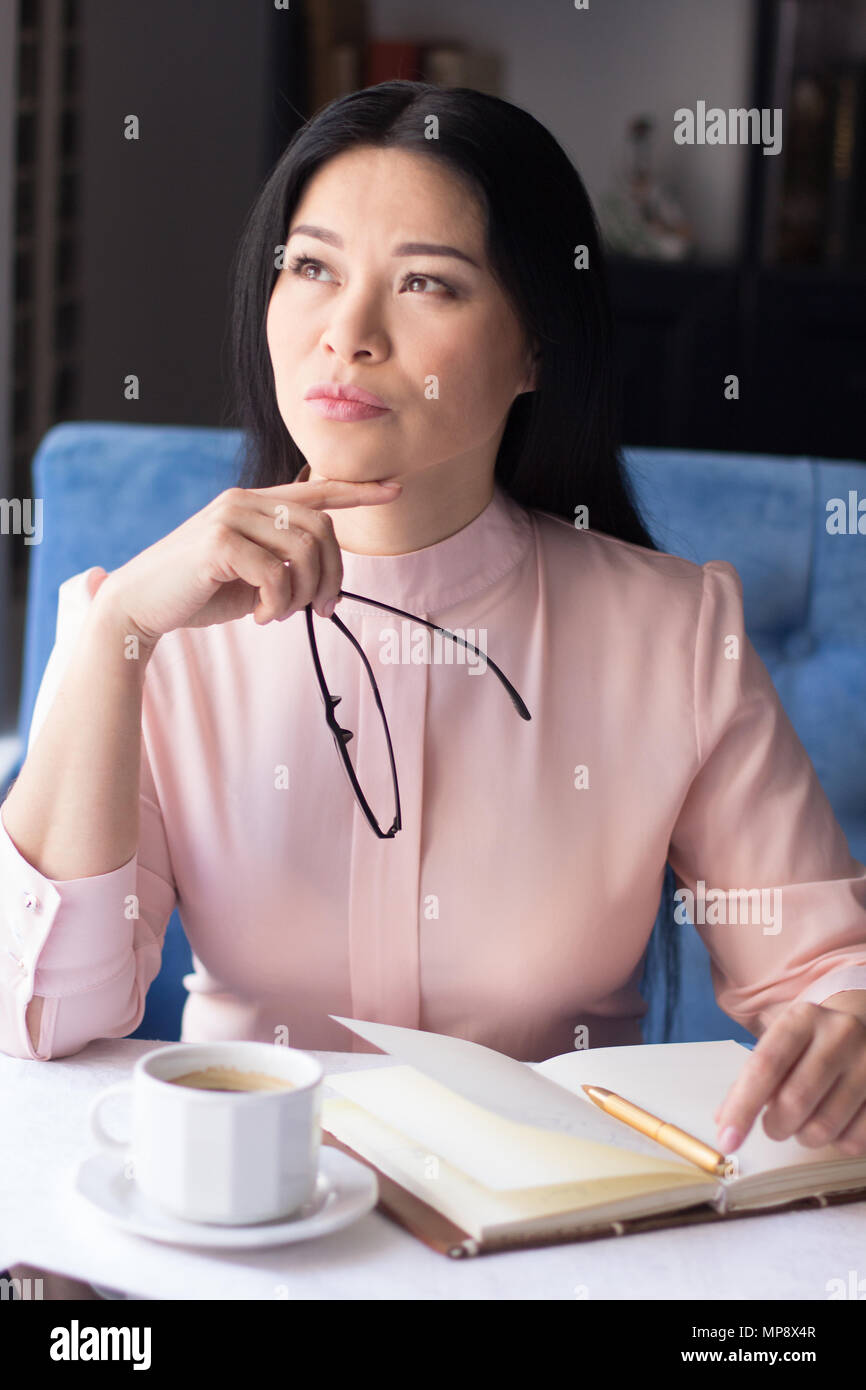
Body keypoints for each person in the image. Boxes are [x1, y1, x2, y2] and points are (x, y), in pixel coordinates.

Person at [3, 82, 866, 1298]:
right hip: (234, 1244)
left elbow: (818, 973)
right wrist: (109, 644)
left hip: (558, 1264)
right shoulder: (147, 625)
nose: (346, 331)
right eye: (309, 267)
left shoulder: (677, 633)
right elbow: (51, 1019)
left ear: (534, 347)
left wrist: (849, 1025)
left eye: (426, 282)